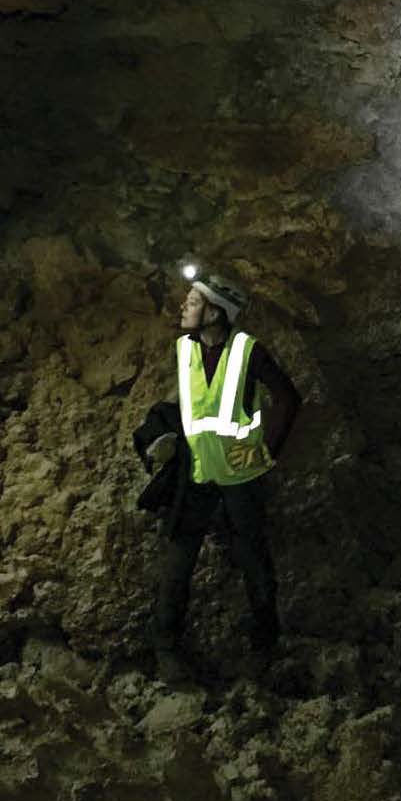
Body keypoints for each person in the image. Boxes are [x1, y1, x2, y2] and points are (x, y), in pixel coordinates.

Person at [151, 269, 301, 681]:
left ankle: (264, 646)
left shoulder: (247, 351)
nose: (184, 307)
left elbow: (288, 399)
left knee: (253, 560)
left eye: (193, 302)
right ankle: (166, 648)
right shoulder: (184, 349)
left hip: (239, 475)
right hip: (197, 472)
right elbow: (191, 402)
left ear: (215, 313)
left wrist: (266, 449)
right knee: (178, 560)